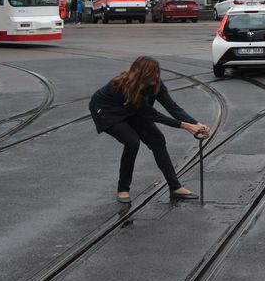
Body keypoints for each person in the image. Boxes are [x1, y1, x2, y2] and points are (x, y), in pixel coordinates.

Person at [89, 56, 210, 203]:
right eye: (152, 73)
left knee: (157, 140)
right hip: (107, 112)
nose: (157, 76)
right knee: (132, 142)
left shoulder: (156, 84)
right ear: (141, 74)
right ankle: (123, 189)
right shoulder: (125, 85)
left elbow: (172, 107)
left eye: (157, 72)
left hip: (133, 111)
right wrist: (186, 126)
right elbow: (153, 115)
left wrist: (196, 123)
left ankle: (175, 187)